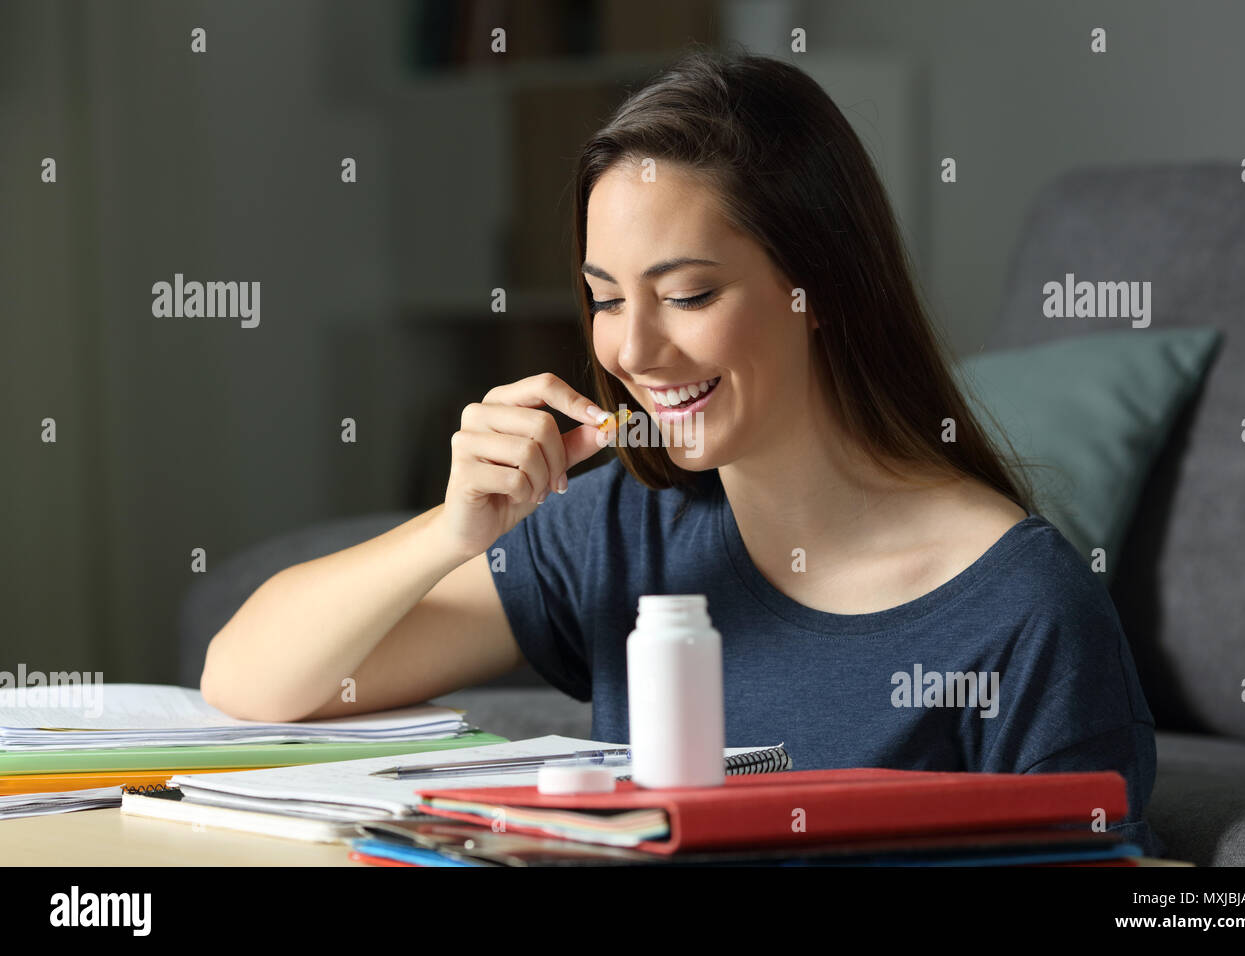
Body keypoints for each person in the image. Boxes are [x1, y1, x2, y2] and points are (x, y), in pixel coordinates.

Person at [201, 49, 1164, 857]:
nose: (633, 351)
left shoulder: (1024, 614)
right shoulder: (628, 526)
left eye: (690, 295)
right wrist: (450, 533)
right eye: (609, 297)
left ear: (818, 285)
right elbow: (248, 680)